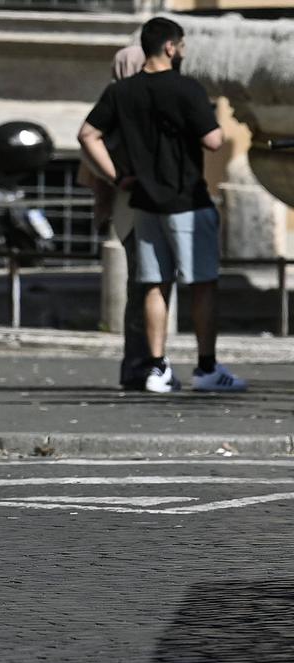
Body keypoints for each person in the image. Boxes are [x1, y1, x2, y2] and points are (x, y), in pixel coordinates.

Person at [78, 17, 246, 393]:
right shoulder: (187, 89)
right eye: (181, 45)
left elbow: (87, 135)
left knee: (155, 284)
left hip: (145, 203)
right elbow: (215, 141)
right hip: (187, 198)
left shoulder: (122, 92)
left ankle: (157, 369)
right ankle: (206, 368)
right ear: (170, 47)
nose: (182, 51)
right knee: (202, 285)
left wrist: (118, 176)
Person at [78, 45, 148, 390]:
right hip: (133, 203)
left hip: (125, 204)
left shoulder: (117, 99)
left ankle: (140, 363)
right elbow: (88, 142)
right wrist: (120, 175)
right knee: (143, 284)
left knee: (142, 284)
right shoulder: (122, 101)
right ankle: (141, 364)